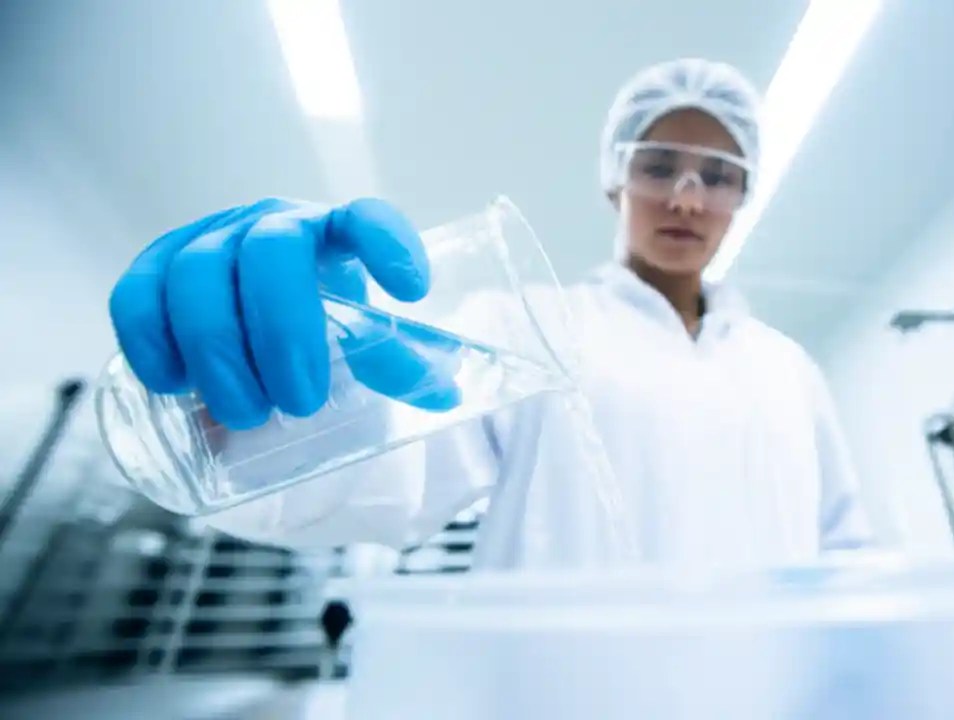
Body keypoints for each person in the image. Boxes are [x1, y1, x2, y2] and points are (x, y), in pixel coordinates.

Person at [108, 58, 869, 569]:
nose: (686, 197)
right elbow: (392, 482)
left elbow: (845, 549)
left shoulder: (787, 367)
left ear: (745, 198)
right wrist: (263, 405)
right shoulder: (524, 324)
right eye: (659, 166)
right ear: (615, 181)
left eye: (719, 176)